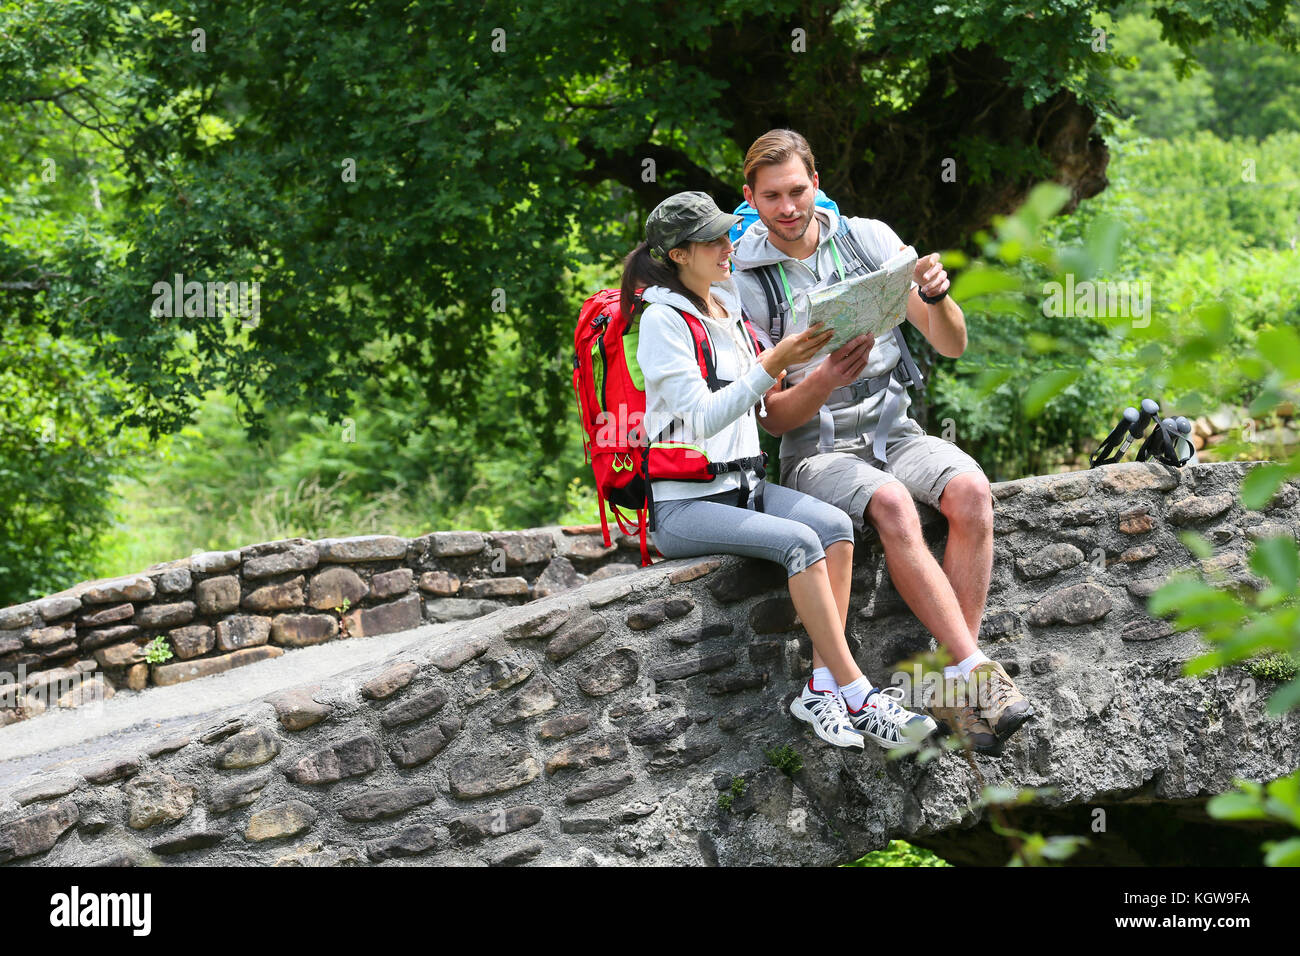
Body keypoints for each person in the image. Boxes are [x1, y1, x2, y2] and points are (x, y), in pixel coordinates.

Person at [730, 130, 1034, 755]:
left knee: (973, 489)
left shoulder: (868, 238)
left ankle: (956, 681)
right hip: (818, 454)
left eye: (796, 191)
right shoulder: (743, 282)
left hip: (897, 432)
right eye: (771, 197)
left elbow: (951, 344)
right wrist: (823, 379)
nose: (787, 208)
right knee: (893, 503)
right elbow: (774, 421)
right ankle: (974, 673)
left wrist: (938, 295)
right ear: (751, 199)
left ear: (816, 183)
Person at [628, 190, 936, 752]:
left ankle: (820, 688)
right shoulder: (662, 323)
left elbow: (764, 402)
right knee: (801, 543)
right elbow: (699, 419)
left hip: (747, 488)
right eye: (714, 240)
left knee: (837, 529)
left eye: (727, 235)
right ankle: (859, 692)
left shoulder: (725, 304)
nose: (729, 247)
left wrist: (808, 363)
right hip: (687, 507)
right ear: (676, 253)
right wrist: (772, 365)